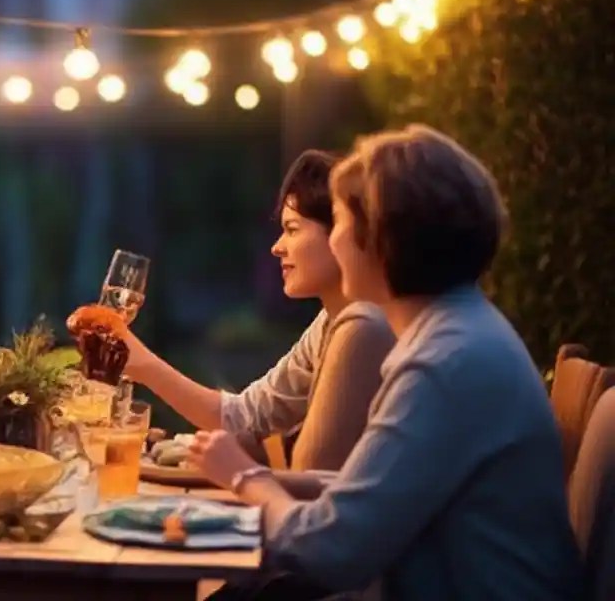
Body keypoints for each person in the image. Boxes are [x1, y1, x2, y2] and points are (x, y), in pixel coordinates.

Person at [189, 125, 582, 599]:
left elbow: (328, 552)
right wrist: (264, 480)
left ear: (381, 239)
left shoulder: (443, 365)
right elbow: (369, 491)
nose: (334, 241)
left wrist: (245, 477)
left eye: (340, 222)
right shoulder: (459, 330)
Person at [115, 150, 394, 470]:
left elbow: (314, 469)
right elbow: (245, 417)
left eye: (292, 229)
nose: (277, 247)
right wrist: (141, 364)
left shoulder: (366, 326)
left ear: (342, 233)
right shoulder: (328, 323)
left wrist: (244, 466)